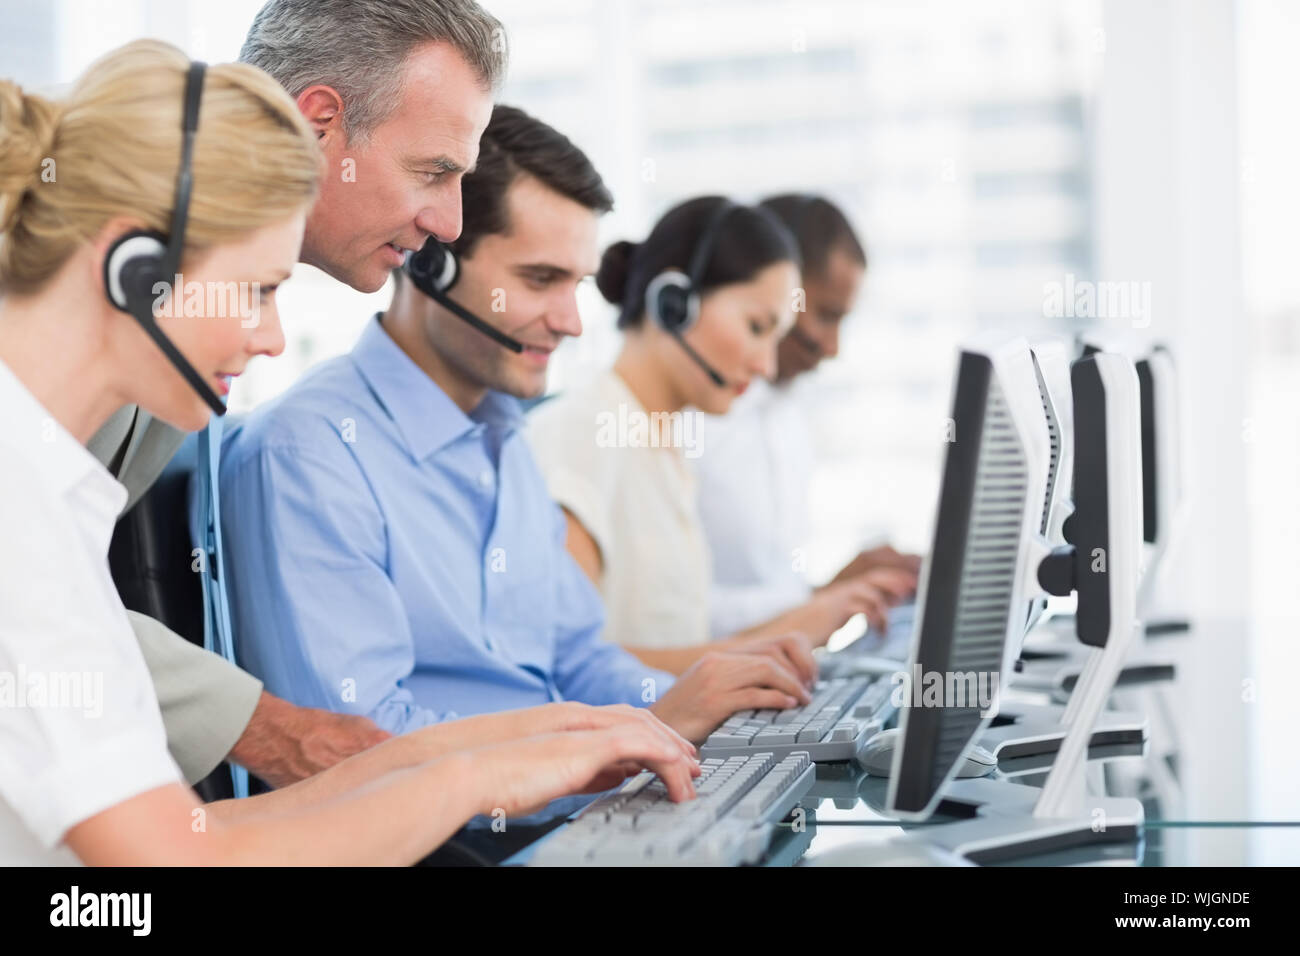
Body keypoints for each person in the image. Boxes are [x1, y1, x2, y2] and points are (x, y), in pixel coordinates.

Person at [0, 40, 696, 866]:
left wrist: (523, 747)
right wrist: (475, 782)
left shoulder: (51, 497)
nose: (271, 337)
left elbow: (196, 835)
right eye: (258, 291)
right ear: (135, 270)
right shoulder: (24, 511)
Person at [219, 105, 818, 745]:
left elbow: (578, 659)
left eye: (577, 285)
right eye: (540, 280)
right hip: (465, 842)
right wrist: (615, 746)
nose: (571, 322)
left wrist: (683, 703)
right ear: (429, 265)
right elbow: (361, 745)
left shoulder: (506, 438)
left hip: (561, 809)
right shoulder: (308, 454)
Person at [91, 0, 512, 791]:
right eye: (434, 171)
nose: (451, 223)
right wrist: (270, 731)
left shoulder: (182, 278)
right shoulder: (118, 266)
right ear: (320, 123)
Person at [526, 198, 916, 674]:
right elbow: (565, 672)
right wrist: (801, 620)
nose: (765, 365)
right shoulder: (582, 433)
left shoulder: (664, 451)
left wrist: (809, 619)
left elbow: (674, 647)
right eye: (756, 327)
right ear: (673, 303)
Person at [692, 194, 922, 639]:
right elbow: (664, 623)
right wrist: (819, 600)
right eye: (825, 315)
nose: (832, 348)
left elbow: (769, 590)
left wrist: (836, 593)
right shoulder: (692, 418)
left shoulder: (788, 413)